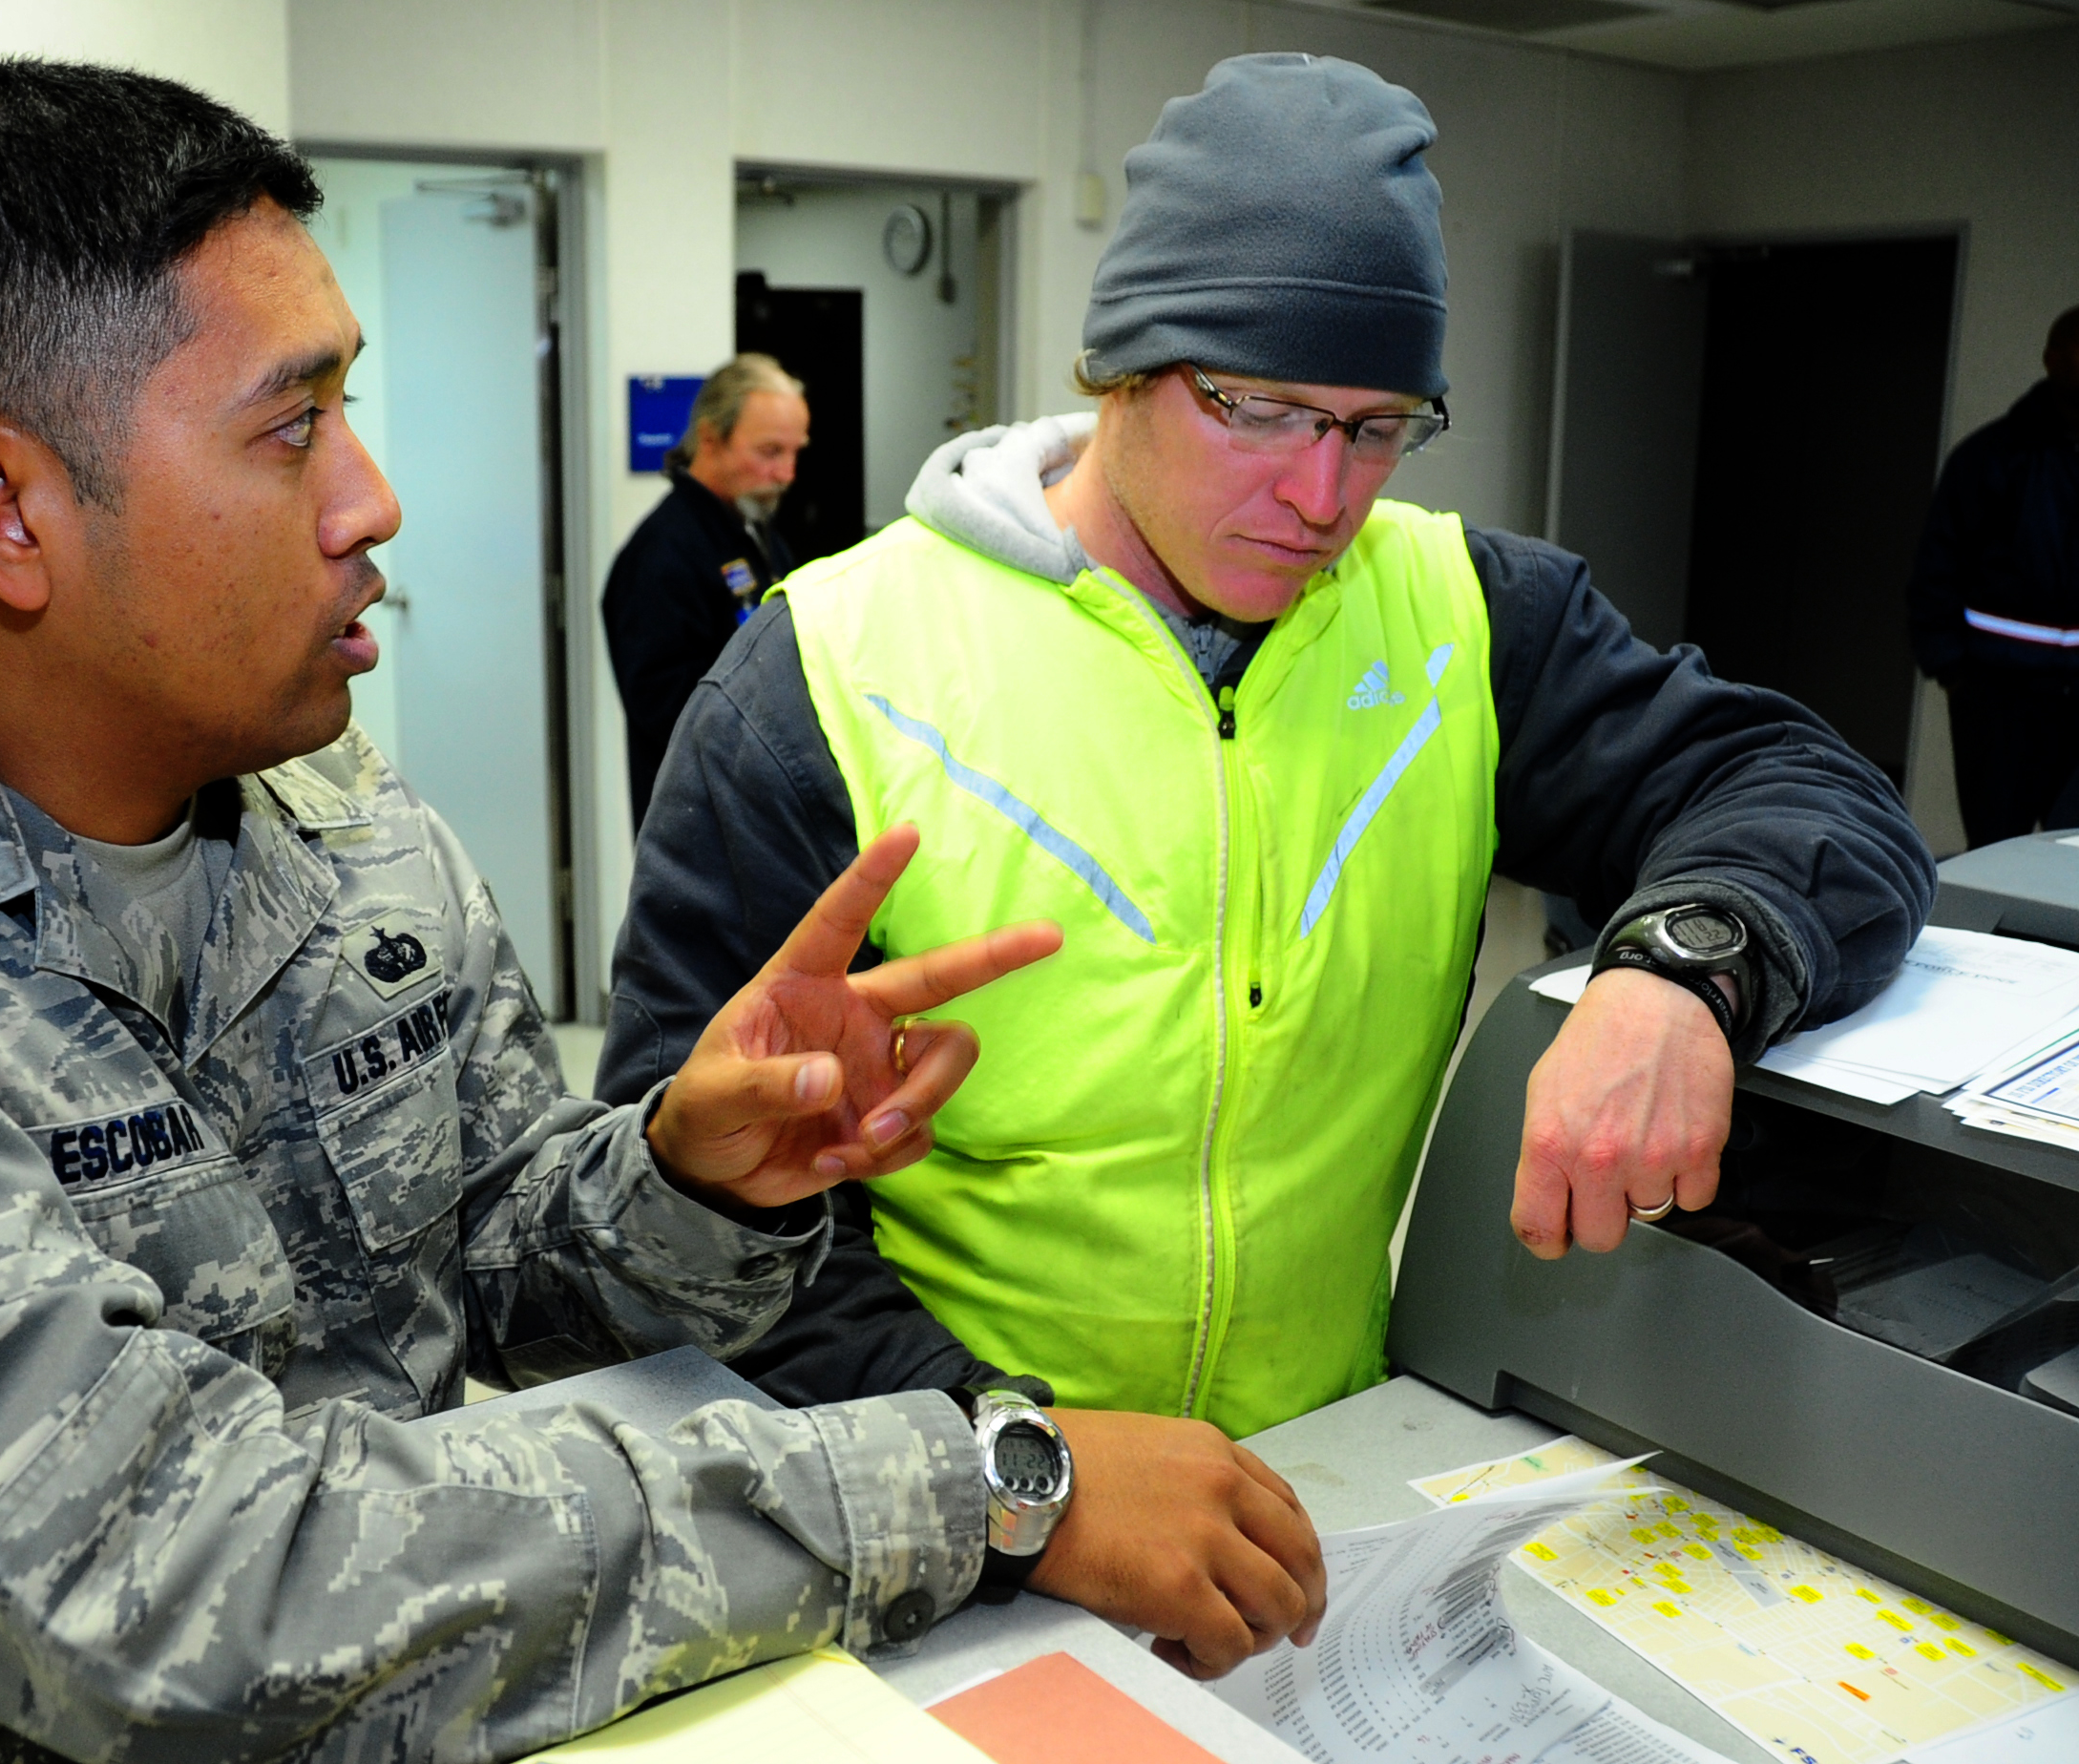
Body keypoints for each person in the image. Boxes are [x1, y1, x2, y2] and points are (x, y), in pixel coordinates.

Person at [0, 64, 1335, 1760]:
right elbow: (188, 1604)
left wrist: (690, 1178)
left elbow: (501, 1275)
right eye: (292, 432)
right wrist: (978, 1488)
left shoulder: (337, 817)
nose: (374, 501)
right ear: (3, 513)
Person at [601, 54, 1934, 1433]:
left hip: (1318, 1475)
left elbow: (1812, 794)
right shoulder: (827, 664)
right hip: (943, 1499)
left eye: (1376, 430)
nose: (1320, 496)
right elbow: (680, 1211)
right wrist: (1018, 1465)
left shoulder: (1464, 624)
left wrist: (1678, 974)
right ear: (1124, 363)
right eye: (1261, 410)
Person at [604, 355, 808, 823]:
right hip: (701, 825)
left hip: (757, 809)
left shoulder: (753, 533)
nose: (787, 473)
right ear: (712, 437)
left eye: (796, 452)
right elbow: (672, 715)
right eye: (771, 451)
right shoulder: (662, 554)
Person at [1908, 304, 2079, 849]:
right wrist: (1954, 671)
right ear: (2052, 358)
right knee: (1995, 850)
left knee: (2068, 858)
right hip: (1999, 697)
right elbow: (1936, 568)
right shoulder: (1991, 458)